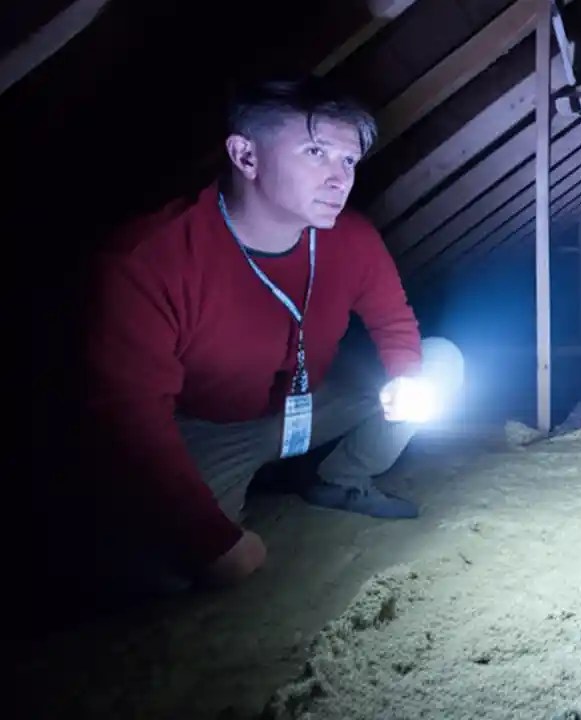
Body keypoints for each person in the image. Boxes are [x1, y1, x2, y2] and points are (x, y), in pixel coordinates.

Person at [80, 77, 464, 592]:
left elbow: (394, 323)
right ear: (246, 155)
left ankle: (339, 477)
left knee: (439, 364)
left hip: (313, 399)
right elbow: (132, 417)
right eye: (316, 152)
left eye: (348, 161)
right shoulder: (151, 261)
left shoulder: (351, 238)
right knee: (162, 573)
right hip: (212, 428)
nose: (339, 178)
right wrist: (214, 543)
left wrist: (404, 377)